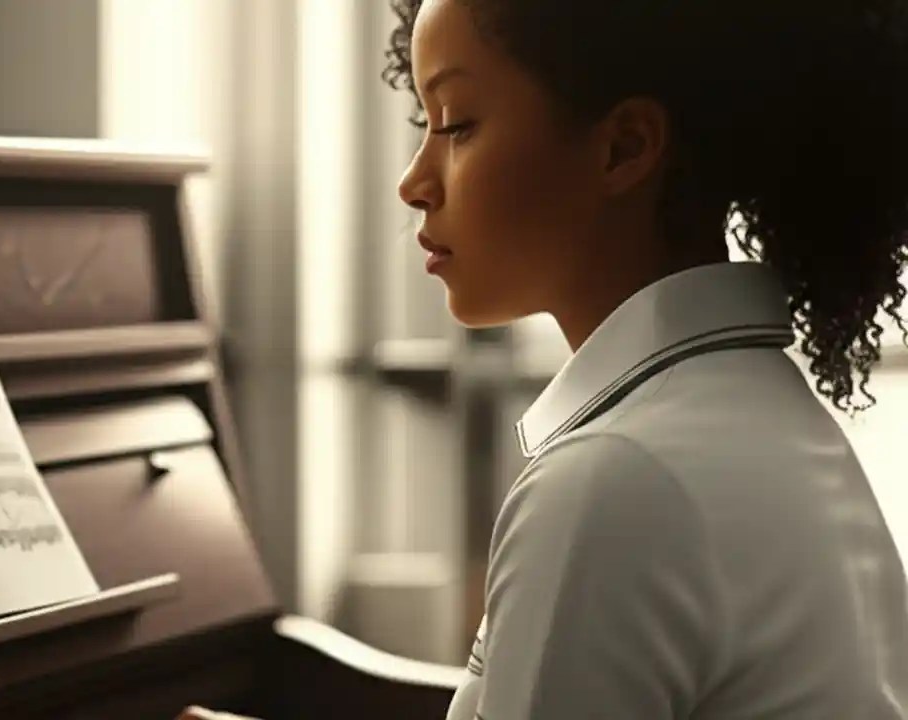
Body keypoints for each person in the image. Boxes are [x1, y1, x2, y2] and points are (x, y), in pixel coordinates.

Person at [183, 0, 908, 717]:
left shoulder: (615, 476)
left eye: (457, 124)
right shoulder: (757, 413)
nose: (413, 182)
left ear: (622, 147)